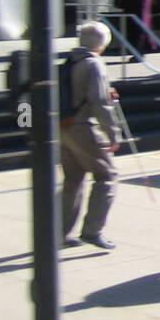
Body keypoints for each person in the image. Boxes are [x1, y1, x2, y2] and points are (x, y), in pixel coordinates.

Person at [60, 21, 123, 249]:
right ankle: (92, 230)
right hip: (84, 127)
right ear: (103, 43)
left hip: (64, 127)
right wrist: (113, 133)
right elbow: (99, 103)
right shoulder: (94, 64)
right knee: (108, 176)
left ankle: (62, 232)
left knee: (73, 179)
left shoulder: (71, 60)